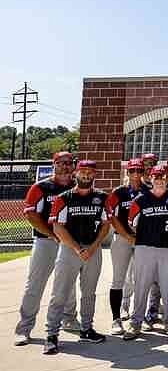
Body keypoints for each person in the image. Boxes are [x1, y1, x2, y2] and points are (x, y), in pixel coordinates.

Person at [42, 160, 111, 355]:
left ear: (94, 175)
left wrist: (93, 246)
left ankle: (86, 329)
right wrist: (75, 248)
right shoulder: (63, 198)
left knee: (89, 293)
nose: (86, 175)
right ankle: (52, 334)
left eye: (90, 172)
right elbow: (57, 226)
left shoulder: (101, 197)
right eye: (83, 171)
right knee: (60, 293)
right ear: (76, 173)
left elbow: (106, 225)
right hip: (69, 249)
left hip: (92, 249)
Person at [13, 151, 79, 347]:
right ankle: (24, 328)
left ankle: (69, 318)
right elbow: (32, 216)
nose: (66, 166)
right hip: (46, 241)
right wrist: (52, 235)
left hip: (69, 242)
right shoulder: (40, 187)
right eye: (61, 163)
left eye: (69, 163)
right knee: (35, 285)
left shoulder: (77, 188)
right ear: (54, 164)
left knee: (69, 284)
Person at [124, 164, 168, 339]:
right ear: (150, 178)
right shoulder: (140, 200)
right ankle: (136, 323)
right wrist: (151, 233)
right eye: (156, 177)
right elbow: (132, 225)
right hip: (145, 248)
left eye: (163, 177)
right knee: (141, 285)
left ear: (167, 179)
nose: (160, 180)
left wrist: (166, 233)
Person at [106, 158, 146, 336]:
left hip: (143, 240)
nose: (136, 174)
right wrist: (127, 236)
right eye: (132, 171)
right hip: (122, 238)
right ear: (127, 172)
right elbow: (112, 218)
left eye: (139, 171)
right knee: (119, 279)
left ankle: (139, 317)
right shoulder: (118, 192)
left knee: (142, 280)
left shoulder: (149, 190)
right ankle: (116, 318)